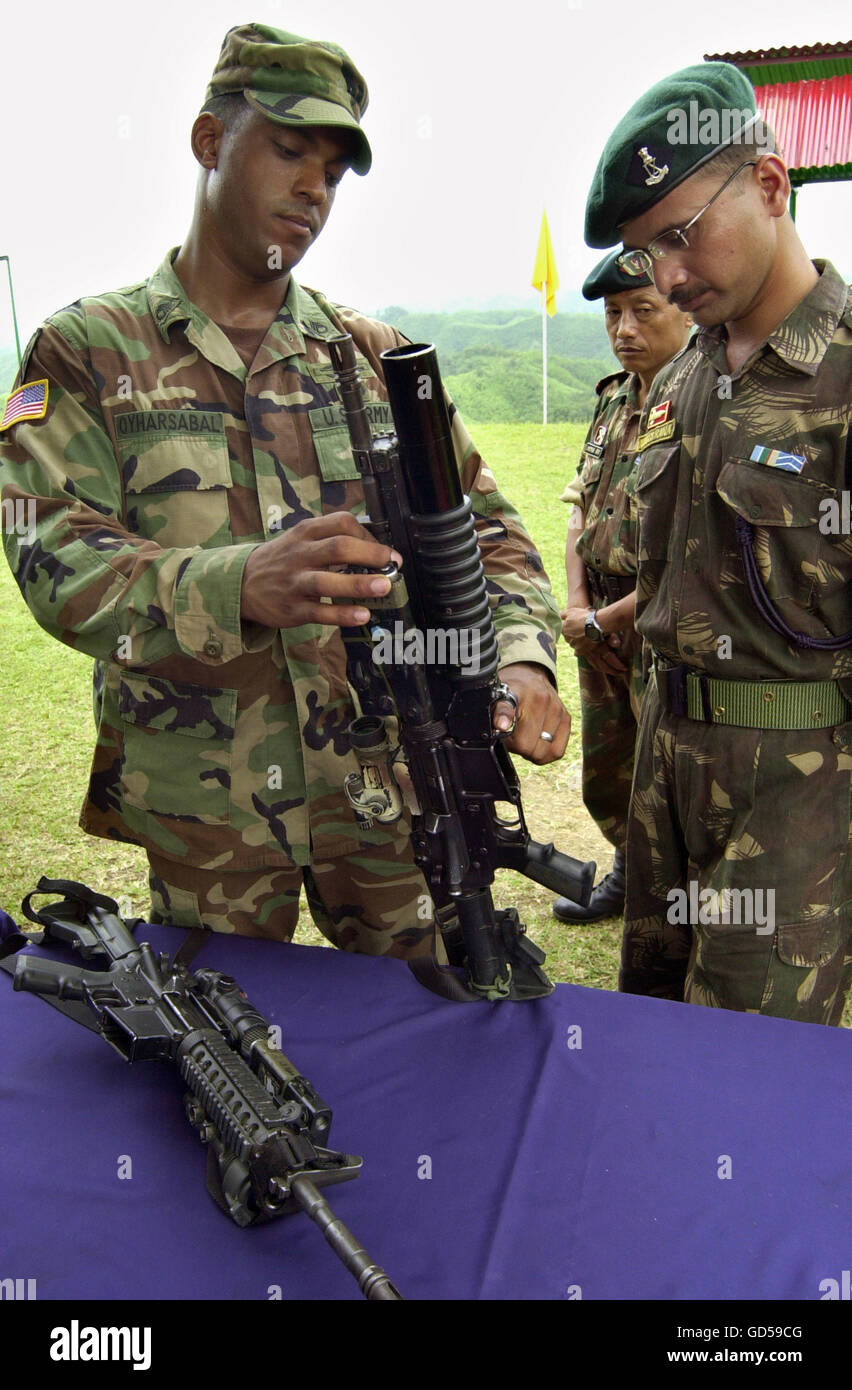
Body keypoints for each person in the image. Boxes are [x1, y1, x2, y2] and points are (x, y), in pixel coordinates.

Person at [0, 22, 567, 959]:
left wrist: (522, 657)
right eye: (291, 149)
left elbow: (489, 528)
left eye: (336, 171)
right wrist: (236, 585)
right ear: (211, 142)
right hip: (206, 809)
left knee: (422, 1041)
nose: (314, 189)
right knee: (227, 1059)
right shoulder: (89, 350)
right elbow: (48, 548)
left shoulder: (374, 360)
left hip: (384, 794)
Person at [583, 61, 852, 1023]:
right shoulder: (686, 374)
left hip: (793, 801)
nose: (667, 275)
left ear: (772, 187)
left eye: (681, 236)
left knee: (749, 1065)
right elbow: (698, 567)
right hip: (665, 771)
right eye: (646, 251)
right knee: (653, 1029)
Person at [554, 250, 691, 923]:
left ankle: (672, 896)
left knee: (666, 773)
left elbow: (697, 552)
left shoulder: (700, 401)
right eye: (613, 314)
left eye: (643, 311)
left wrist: (611, 619)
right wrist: (580, 608)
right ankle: (627, 870)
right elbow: (582, 503)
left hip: (661, 621)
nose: (624, 328)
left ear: (683, 311)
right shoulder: (613, 399)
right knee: (609, 765)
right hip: (601, 621)